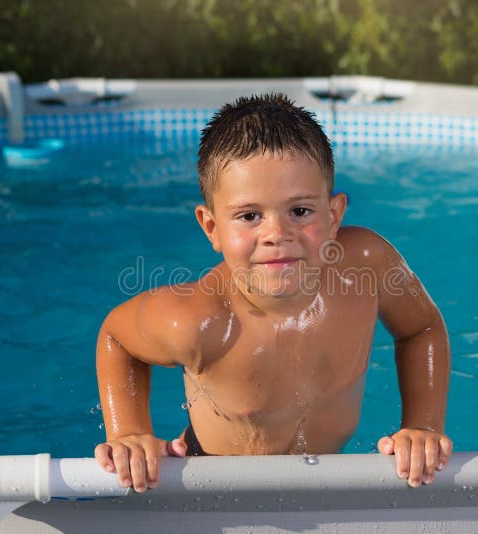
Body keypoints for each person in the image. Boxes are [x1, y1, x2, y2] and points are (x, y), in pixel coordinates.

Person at [94, 93, 451, 492]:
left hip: (324, 477)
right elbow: (117, 338)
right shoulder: (198, 321)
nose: (277, 234)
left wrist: (423, 426)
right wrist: (129, 433)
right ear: (212, 228)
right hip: (213, 486)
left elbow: (421, 328)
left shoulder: (367, 267)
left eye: (300, 211)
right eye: (249, 216)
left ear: (333, 215)